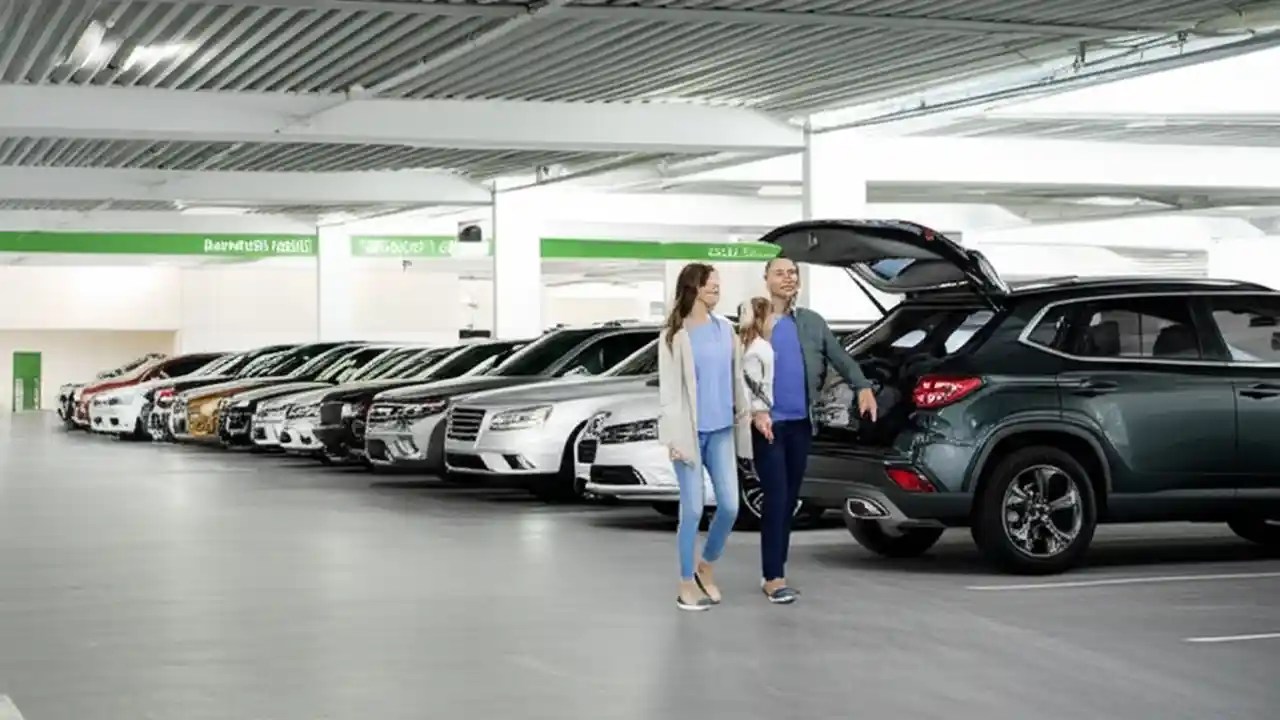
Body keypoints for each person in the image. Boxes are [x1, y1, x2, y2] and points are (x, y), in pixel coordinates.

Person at [752, 256, 877, 604]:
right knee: (776, 497)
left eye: (793, 273)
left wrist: (863, 387)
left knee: (790, 499)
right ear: (767, 280)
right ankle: (773, 576)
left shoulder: (811, 322)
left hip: (800, 424)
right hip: (767, 426)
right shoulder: (755, 321)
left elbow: (841, 357)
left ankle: (777, 567)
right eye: (780, 273)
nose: (788, 278)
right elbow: (737, 367)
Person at [657, 262, 752, 612]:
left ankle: (706, 567)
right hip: (689, 435)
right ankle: (685, 583)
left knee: (729, 506)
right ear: (693, 287)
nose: (717, 290)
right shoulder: (674, 334)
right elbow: (669, 393)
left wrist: (745, 411)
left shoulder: (725, 329)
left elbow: (736, 377)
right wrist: (674, 439)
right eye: (711, 285)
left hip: (723, 430)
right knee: (693, 508)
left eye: (718, 285)